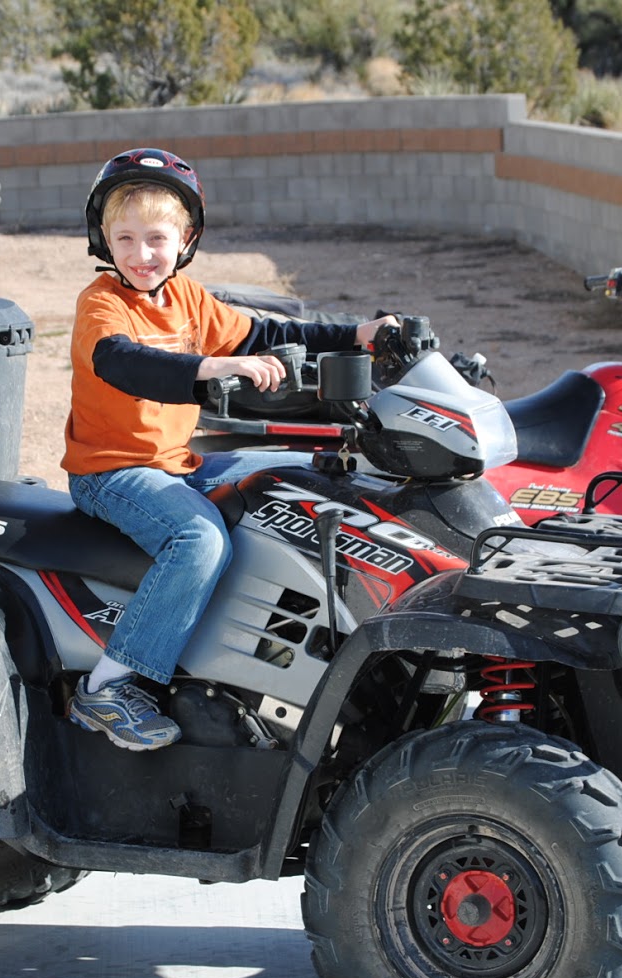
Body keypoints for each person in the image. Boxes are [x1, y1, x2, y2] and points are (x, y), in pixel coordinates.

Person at [62, 146, 396, 751]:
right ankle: (108, 687)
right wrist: (213, 366)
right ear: (103, 238)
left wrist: (358, 333)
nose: (141, 254)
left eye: (157, 238)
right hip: (112, 473)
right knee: (199, 539)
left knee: (297, 480)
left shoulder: (187, 298)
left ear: (186, 238)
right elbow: (123, 363)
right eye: (126, 238)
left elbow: (269, 330)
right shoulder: (103, 304)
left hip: (176, 464)